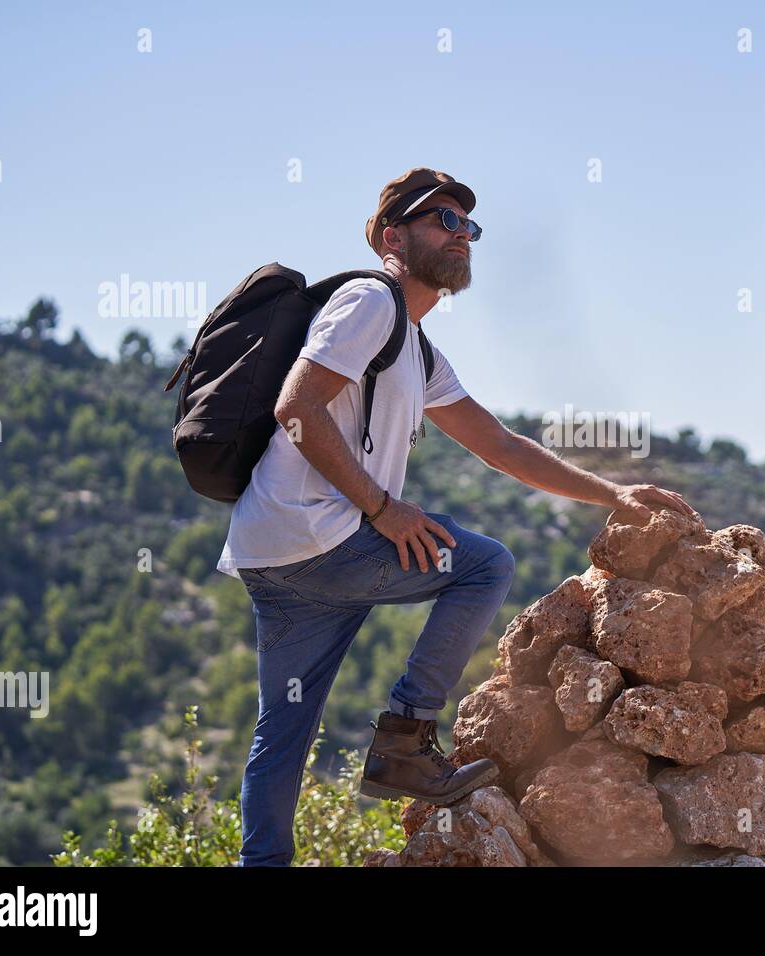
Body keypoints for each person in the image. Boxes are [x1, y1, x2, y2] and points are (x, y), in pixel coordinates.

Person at [215, 166, 699, 866]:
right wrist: (383, 509)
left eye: (469, 225)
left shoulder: (414, 347)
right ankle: (406, 740)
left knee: (282, 733)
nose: (462, 235)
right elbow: (297, 408)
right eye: (442, 221)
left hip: (273, 553)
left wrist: (613, 494)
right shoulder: (369, 301)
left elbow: (501, 446)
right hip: (321, 538)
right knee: (483, 565)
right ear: (391, 236)